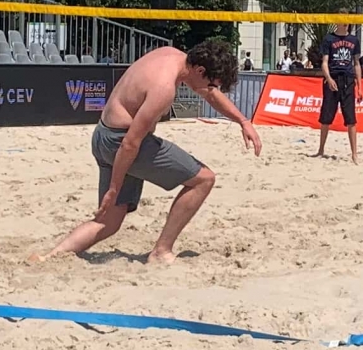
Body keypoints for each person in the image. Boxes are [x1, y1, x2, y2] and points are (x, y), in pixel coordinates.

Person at [36, 39, 259, 264]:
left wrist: (242, 120)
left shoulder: (170, 54)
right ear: (200, 70)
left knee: (109, 221)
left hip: (102, 135)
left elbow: (209, 94)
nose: (211, 91)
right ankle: (161, 251)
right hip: (122, 144)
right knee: (204, 180)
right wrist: (114, 187)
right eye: (211, 84)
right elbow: (131, 144)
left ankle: (50, 257)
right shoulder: (164, 88)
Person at [316, 27, 363, 163]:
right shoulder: (329, 39)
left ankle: (354, 154)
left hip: (348, 81)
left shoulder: (354, 40)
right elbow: (324, 63)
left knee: (351, 119)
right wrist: (329, 79)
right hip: (333, 78)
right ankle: (321, 150)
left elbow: (357, 64)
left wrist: (360, 87)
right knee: (326, 117)